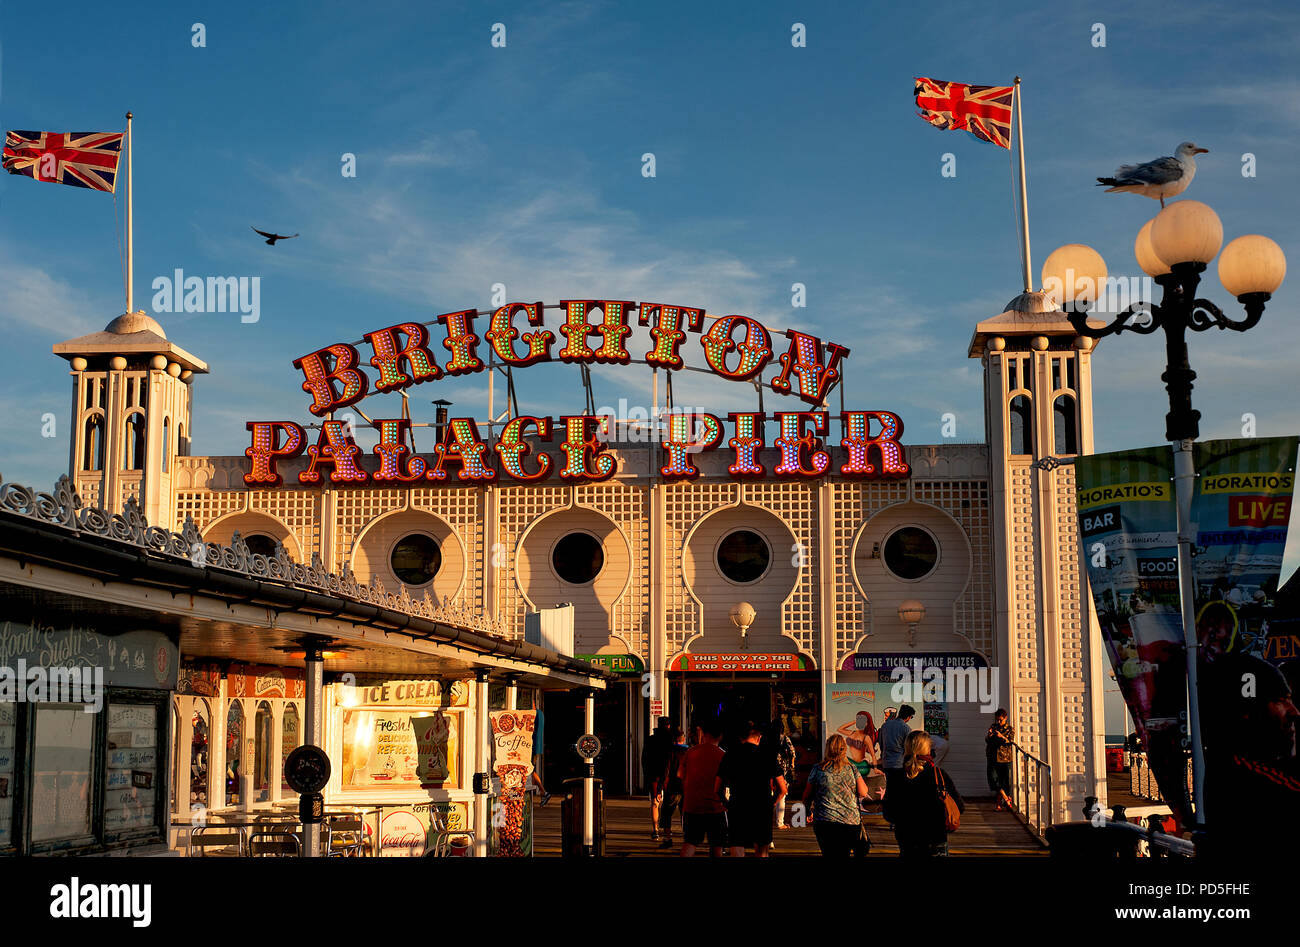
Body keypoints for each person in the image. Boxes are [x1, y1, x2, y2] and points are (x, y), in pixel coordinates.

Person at [882, 730, 964, 857]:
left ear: (907, 747)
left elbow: (888, 813)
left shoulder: (896, 777)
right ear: (928, 749)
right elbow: (959, 807)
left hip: (907, 842)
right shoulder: (939, 775)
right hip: (936, 839)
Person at [717, 721, 786, 857]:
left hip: (738, 806)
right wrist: (772, 802)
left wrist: (726, 803)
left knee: (736, 844)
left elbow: (717, 786)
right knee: (762, 849)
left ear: (740, 737)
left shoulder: (730, 756)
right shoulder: (768, 756)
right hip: (762, 807)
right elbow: (782, 788)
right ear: (759, 737)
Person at [802, 734, 871, 857]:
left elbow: (806, 796)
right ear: (844, 749)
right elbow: (863, 792)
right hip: (850, 824)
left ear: (828, 749)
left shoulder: (818, 769)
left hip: (824, 822)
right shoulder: (851, 769)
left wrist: (808, 812)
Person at [679, 718, 727, 857]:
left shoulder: (690, 752)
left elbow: (680, 775)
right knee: (717, 845)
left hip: (692, 805)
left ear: (704, 734)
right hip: (715, 806)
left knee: (690, 842)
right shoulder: (722, 755)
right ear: (721, 736)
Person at [642, 716, 673, 841]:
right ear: (669, 726)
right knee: (670, 805)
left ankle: (655, 830)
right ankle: (668, 830)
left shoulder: (650, 740)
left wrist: (646, 774)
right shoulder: (671, 740)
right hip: (669, 776)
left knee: (655, 803)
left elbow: (644, 759)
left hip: (653, 774)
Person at [658, 726, 689, 848]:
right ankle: (687, 839)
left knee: (666, 813)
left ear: (673, 740)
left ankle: (667, 838)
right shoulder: (689, 752)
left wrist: (660, 788)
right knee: (685, 814)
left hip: (672, 788)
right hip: (686, 788)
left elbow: (665, 771)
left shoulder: (670, 752)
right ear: (683, 739)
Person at [877, 704, 915, 800]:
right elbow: (909, 749)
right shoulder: (906, 728)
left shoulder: (885, 726)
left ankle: (889, 810)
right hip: (899, 764)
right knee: (899, 790)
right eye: (911, 717)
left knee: (890, 788)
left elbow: (881, 744)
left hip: (886, 763)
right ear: (908, 717)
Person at [768, 720, 797, 829]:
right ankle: (779, 823)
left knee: (769, 793)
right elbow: (792, 752)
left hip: (768, 767)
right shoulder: (784, 738)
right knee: (782, 795)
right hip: (781, 769)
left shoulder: (766, 738)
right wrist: (792, 764)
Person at [985, 708, 1014, 810]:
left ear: (1005, 718)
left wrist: (1001, 736)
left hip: (1004, 758)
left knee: (1004, 782)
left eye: (1000, 720)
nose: (998, 721)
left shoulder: (1010, 729)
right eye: (997, 719)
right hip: (992, 757)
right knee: (993, 779)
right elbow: (987, 740)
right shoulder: (993, 726)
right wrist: (989, 735)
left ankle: (999, 804)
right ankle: (1006, 798)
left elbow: (1010, 741)